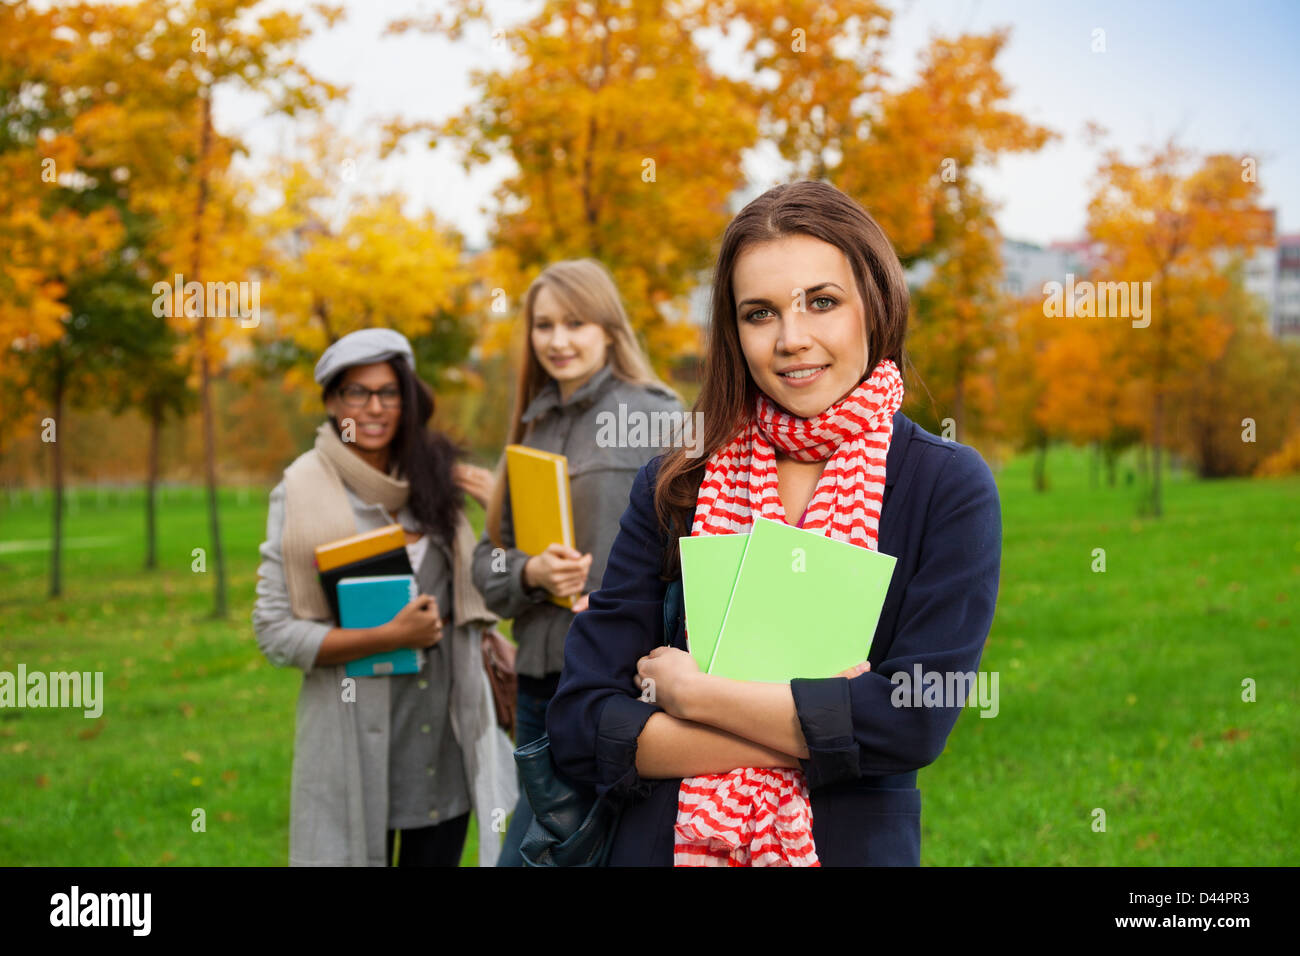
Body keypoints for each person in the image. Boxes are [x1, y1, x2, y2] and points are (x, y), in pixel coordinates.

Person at [546, 181, 1002, 866]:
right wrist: (821, 723)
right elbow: (580, 724)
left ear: (874, 305)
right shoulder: (677, 485)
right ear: (734, 331)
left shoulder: (944, 486)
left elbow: (909, 722)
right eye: (759, 313)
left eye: (822, 302)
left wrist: (693, 695)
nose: (793, 339)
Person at [253, 328, 516, 867]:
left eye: (389, 392)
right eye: (357, 392)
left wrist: (498, 512)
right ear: (330, 400)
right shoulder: (300, 490)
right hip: (356, 746)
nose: (374, 408)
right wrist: (389, 638)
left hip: (444, 746)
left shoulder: (434, 482)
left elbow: (485, 584)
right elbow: (275, 631)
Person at [471, 259, 686, 866]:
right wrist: (529, 573)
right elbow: (483, 564)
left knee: (561, 851)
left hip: (615, 683)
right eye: (544, 326)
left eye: (576, 323)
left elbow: (703, 545)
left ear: (609, 330)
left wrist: (641, 610)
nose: (558, 340)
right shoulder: (531, 424)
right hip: (539, 684)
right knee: (557, 848)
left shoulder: (657, 415)